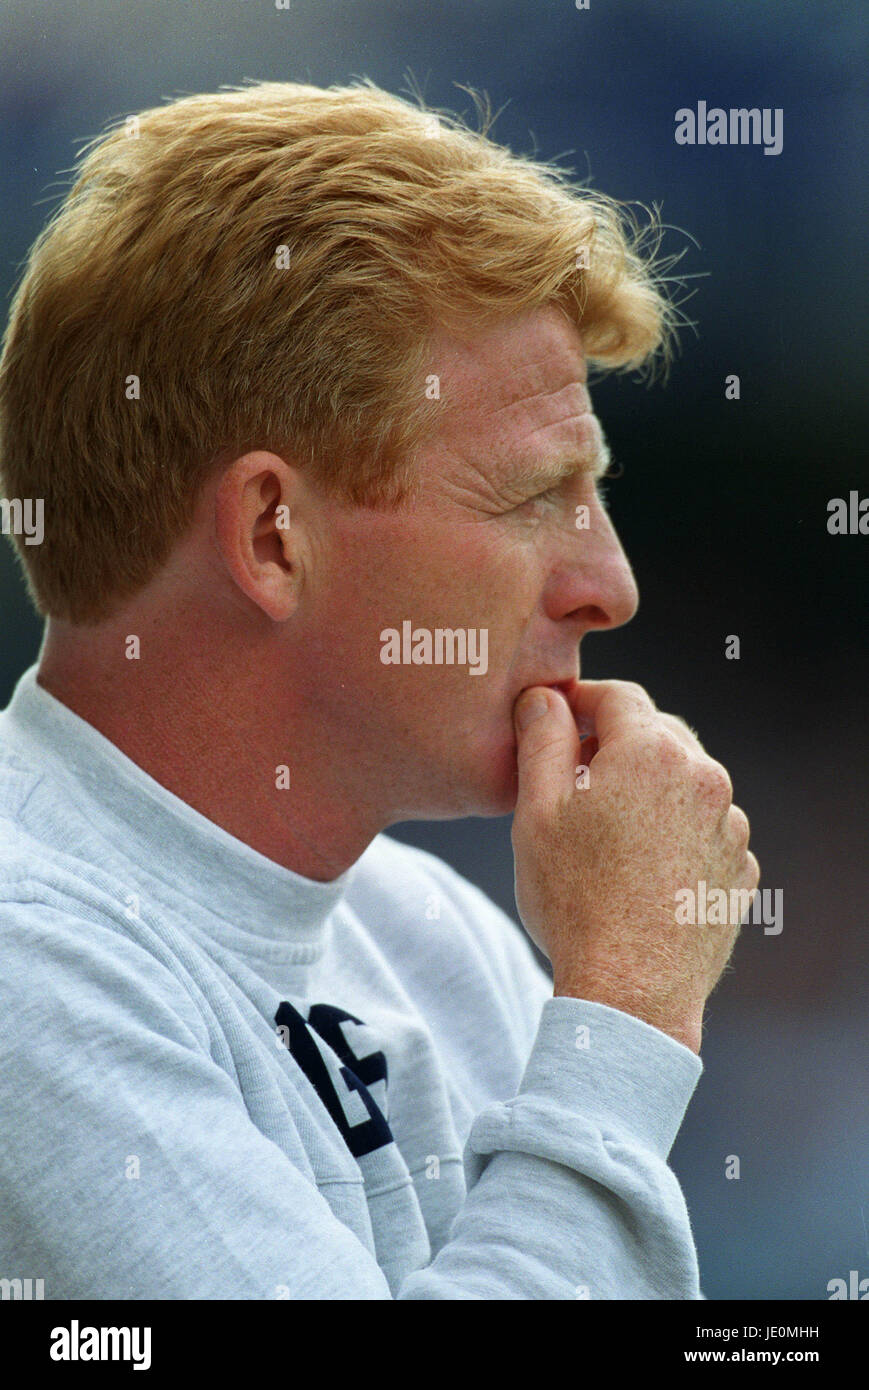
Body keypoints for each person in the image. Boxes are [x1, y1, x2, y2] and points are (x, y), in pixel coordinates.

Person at [0, 80, 758, 1299]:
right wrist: (625, 1017)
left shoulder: (435, 940)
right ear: (272, 537)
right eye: (531, 498)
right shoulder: (25, 966)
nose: (606, 585)